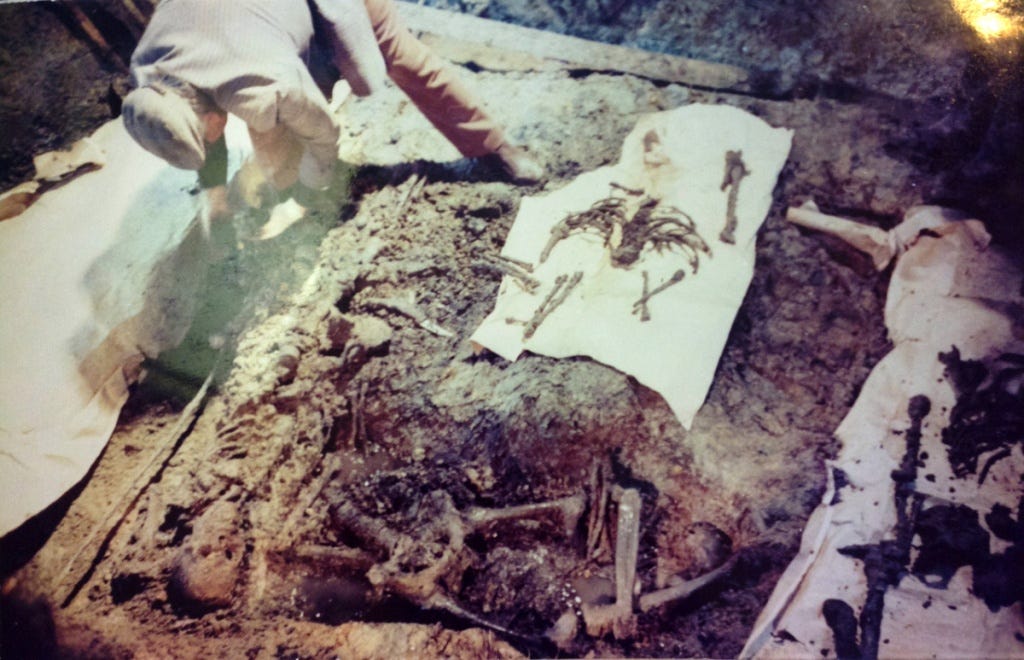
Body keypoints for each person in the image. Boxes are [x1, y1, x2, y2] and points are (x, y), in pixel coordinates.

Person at [122, 0, 543, 230]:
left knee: (404, 61)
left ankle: (496, 147)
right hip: (264, 25)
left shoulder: (262, 85)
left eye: (208, 135)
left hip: (329, 7)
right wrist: (214, 195)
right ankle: (292, 188)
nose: (212, 137)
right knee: (273, 127)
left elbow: (324, 134)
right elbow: (185, 126)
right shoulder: (148, 72)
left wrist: (303, 200)